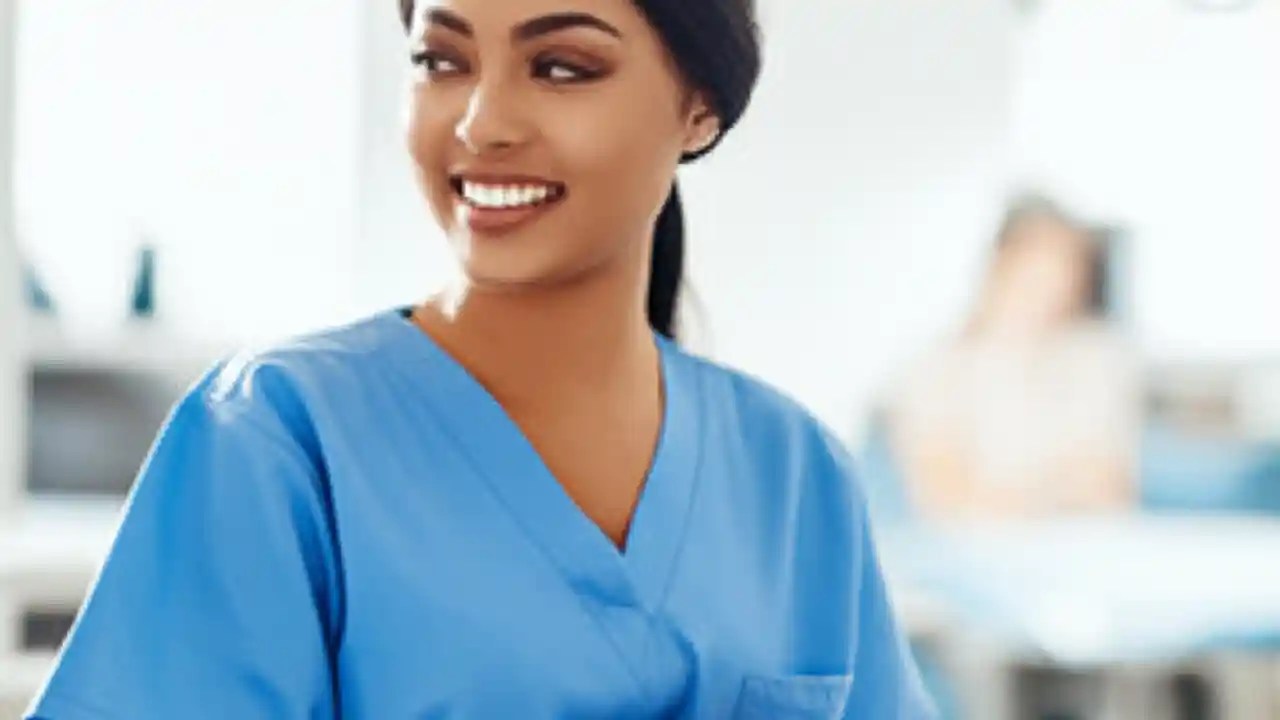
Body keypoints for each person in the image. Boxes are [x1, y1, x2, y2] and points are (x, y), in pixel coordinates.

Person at [27, 1, 934, 717]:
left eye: (561, 67)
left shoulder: (794, 476)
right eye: (441, 62)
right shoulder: (280, 440)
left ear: (700, 105)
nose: (481, 122)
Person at [890, 195, 1140, 520]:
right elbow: (941, 493)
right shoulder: (936, 368)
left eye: (1069, 268)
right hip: (972, 550)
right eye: (1041, 264)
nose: (1056, 284)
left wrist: (1007, 494)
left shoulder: (1099, 359)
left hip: (1077, 547)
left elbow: (1107, 488)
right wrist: (1046, 494)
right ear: (1002, 263)